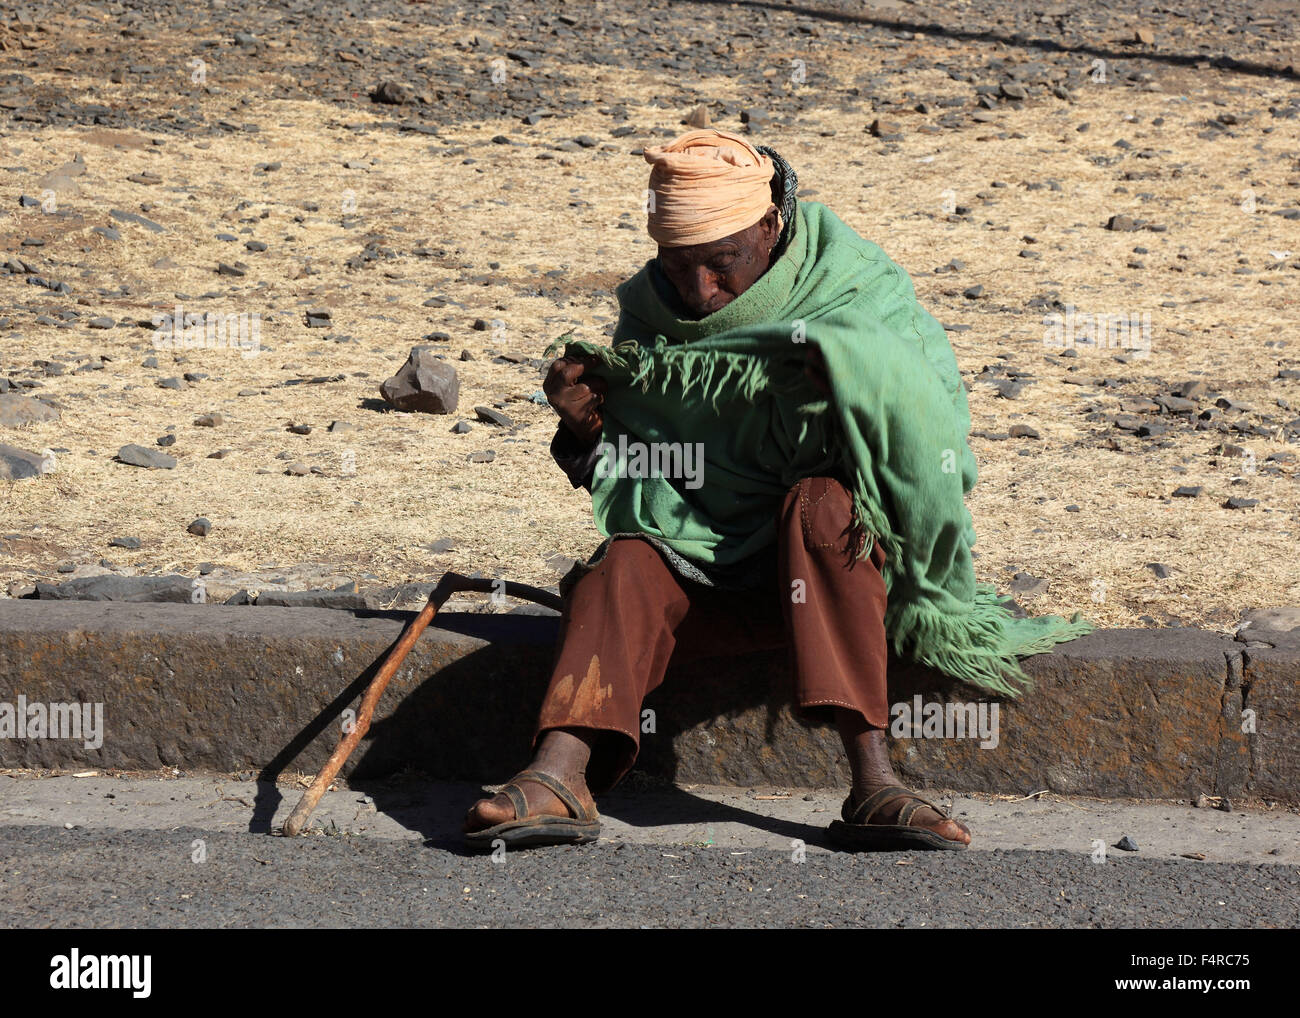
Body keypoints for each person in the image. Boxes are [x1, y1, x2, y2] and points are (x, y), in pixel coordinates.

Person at [463, 128, 1091, 852]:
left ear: (769, 227)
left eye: (722, 263)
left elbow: (929, 440)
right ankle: (560, 775)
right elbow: (643, 482)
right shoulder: (651, 315)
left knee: (823, 505)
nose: (699, 291)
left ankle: (874, 782)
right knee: (624, 559)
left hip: (833, 583)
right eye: (678, 266)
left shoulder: (852, 288)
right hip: (704, 577)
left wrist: (854, 398)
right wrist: (585, 434)